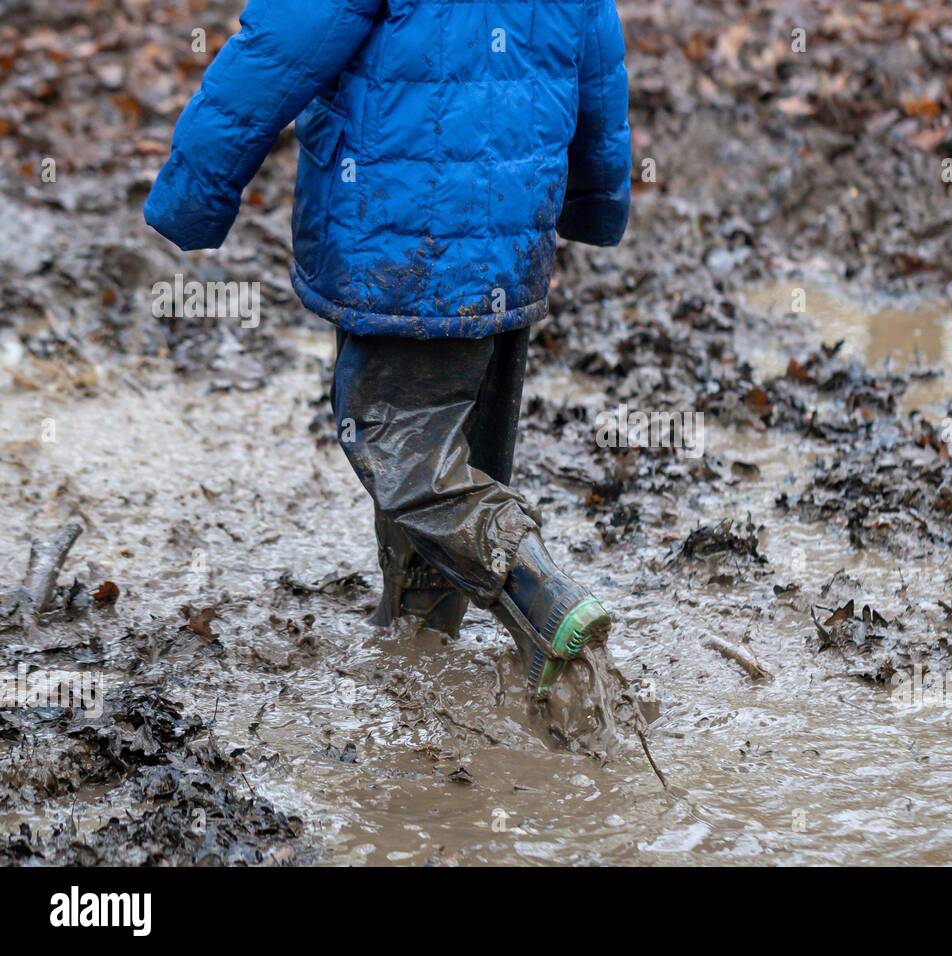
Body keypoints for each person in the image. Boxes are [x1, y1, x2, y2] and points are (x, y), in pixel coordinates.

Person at [143, 0, 632, 701]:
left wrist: (193, 195)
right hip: (512, 247)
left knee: (403, 454)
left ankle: (539, 590)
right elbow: (599, 76)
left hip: (400, 243)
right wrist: (595, 204)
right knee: (457, 461)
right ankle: (420, 659)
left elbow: (272, 58)